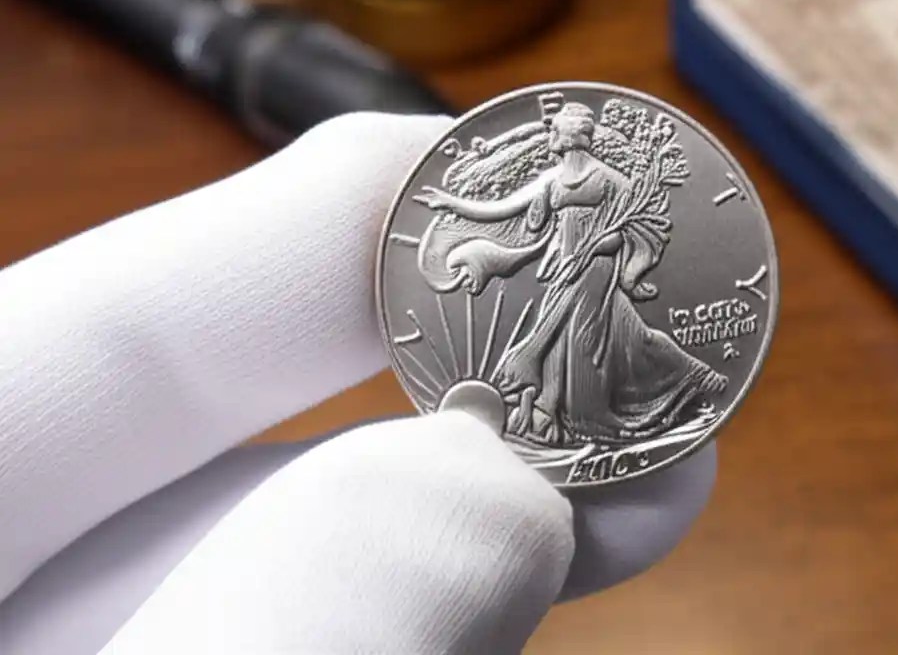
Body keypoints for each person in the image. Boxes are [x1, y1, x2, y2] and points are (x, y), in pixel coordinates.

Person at [0, 114, 717, 654]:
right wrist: (464, 216)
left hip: (588, 275)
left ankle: (597, 398)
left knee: (583, 347)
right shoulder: (556, 181)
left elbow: (641, 232)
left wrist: (616, 259)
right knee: (551, 354)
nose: (561, 147)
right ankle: (566, 405)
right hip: (554, 268)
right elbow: (507, 213)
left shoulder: (611, 181)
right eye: (558, 139)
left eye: (567, 137)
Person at [418, 103, 727, 446]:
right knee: (610, 339)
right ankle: (554, 412)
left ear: (572, 135)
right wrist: (452, 203)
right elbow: (499, 210)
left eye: (555, 130)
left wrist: (598, 246)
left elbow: (639, 225)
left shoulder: (610, 180)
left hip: (595, 269)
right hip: (562, 269)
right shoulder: (551, 180)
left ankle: (585, 415)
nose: (549, 135)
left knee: (581, 340)